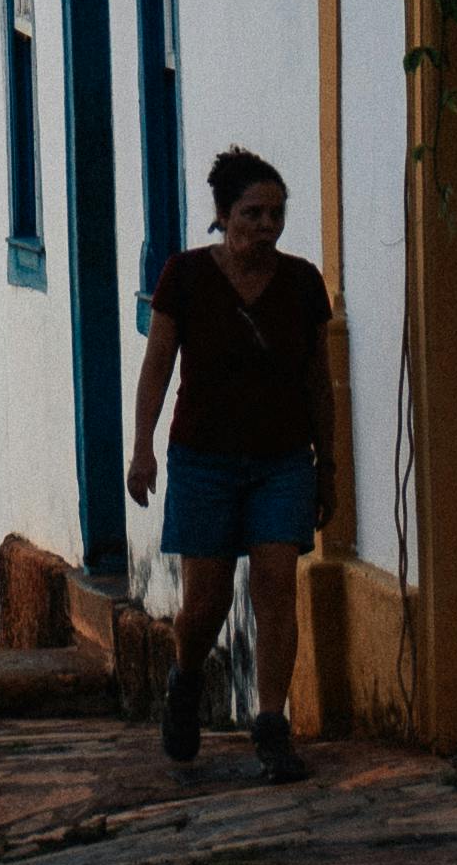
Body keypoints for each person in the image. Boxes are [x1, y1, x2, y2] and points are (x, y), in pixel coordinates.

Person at [125, 145, 334, 779]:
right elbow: (157, 368)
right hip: (204, 462)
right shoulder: (185, 277)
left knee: (275, 587)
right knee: (206, 604)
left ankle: (271, 727)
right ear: (222, 215)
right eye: (252, 213)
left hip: (282, 463)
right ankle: (186, 679)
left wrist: (329, 469)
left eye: (276, 214)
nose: (266, 226)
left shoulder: (302, 284)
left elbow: (318, 384)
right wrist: (142, 448)